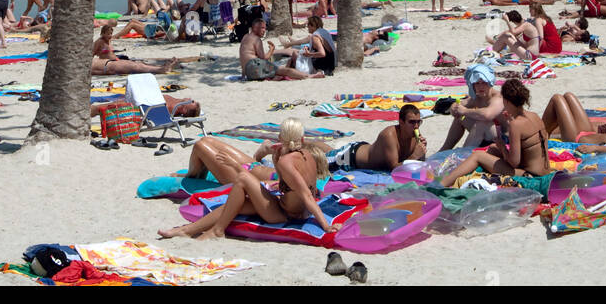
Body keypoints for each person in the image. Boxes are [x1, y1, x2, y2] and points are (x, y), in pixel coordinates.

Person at [158, 117, 333, 240]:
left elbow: (306, 195)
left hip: (284, 215)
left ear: (280, 138)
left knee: (242, 179)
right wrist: (274, 159)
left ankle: (218, 230)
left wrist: (325, 226)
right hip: (290, 209)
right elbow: (291, 185)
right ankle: (186, 230)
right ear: (302, 139)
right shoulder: (306, 155)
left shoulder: (287, 162)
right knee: (235, 205)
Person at [439, 78, 550, 184]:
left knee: (478, 156)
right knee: (492, 149)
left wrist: (502, 147)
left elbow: (514, 162)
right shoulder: (534, 116)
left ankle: (442, 184)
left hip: (531, 176)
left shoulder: (515, 124)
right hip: (544, 172)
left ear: (506, 101)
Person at [326, 105, 427, 172]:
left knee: (331, 152)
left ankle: (313, 144)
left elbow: (418, 164)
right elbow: (394, 168)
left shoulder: (414, 134)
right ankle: (310, 143)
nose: (416, 126)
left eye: (419, 122)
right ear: (401, 122)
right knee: (321, 160)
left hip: (364, 149)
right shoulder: (390, 135)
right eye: (412, 122)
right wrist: (414, 156)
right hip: (352, 158)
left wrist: (422, 152)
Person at [440, 63, 505, 151]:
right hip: (489, 134)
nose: (480, 86)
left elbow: (487, 115)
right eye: (477, 83)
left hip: (503, 138)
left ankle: (462, 154)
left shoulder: (498, 98)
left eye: (484, 83)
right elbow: (458, 105)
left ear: (490, 82)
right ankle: (445, 149)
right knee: (460, 118)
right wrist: (454, 108)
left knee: (482, 123)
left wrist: (465, 111)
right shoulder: (477, 97)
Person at [91, 22, 177, 75]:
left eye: (111, 34)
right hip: (107, 66)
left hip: (110, 63)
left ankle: (160, 67)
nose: (110, 36)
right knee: (133, 66)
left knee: (137, 63)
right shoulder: (99, 42)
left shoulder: (107, 41)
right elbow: (92, 53)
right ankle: (161, 69)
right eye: (108, 34)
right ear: (102, 33)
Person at [238, 17, 308, 81]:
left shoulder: (245, 37)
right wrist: (271, 50)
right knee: (285, 71)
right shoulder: (256, 39)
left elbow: (243, 58)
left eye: (265, 28)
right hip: (254, 66)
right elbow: (263, 58)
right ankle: (310, 76)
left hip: (248, 73)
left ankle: (274, 77)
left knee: (277, 71)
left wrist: (243, 75)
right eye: (262, 28)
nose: (264, 30)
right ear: (255, 28)